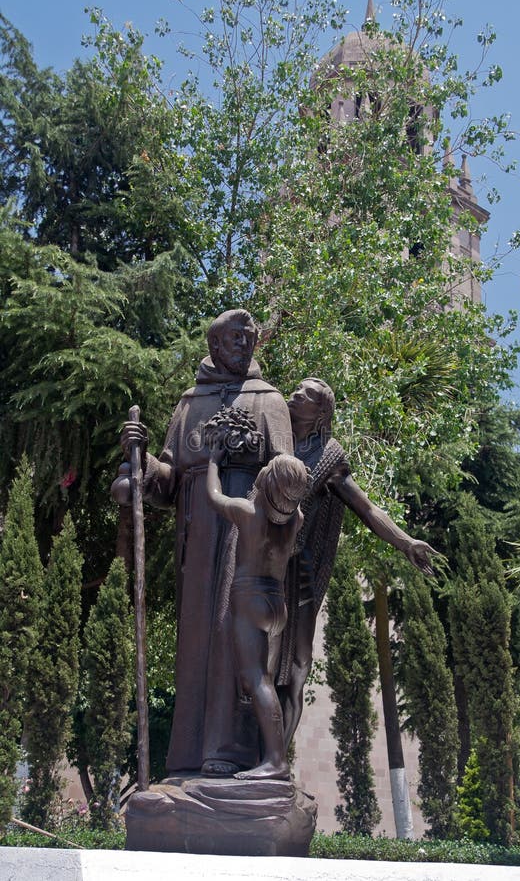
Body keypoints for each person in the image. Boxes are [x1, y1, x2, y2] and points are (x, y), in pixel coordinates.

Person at [118, 309, 293, 776]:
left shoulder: (269, 401)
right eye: (235, 336)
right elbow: (168, 480)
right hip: (196, 538)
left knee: (227, 637)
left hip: (242, 535)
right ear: (215, 344)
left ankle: (230, 752)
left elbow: (289, 480)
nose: (244, 343)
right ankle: (187, 759)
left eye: (250, 337)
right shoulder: (190, 401)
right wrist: (142, 458)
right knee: (196, 639)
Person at [277, 377, 438, 748]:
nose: (297, 394)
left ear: (321, 413)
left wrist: (405, 541)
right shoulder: (274, 441)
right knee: (257, 667)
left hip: (297, 572)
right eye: (298, 389)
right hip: (260, 566)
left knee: (296, 669)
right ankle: (253, 753)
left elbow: (366, 508)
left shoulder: (329, 456)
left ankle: (277, 760)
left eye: (308, 395)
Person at [206, 446, 309, 780]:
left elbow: (214, 496)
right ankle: (272, 757)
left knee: (257, 680)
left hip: (249, 600)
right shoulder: (297, 519)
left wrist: (213, 461)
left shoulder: (247, 512)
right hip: (277, 605)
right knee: (259, 679)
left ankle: (276, 762)